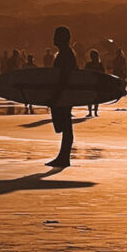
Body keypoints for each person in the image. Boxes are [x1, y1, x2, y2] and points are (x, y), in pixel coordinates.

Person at [48, 25, 77, 170]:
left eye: (56, 36)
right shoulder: (64, 53)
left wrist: (57, 94)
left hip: (64, 94)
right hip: (64, 93)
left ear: (62, 38)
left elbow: (65, 77)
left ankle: (64, 157)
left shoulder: (66, 54)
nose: (53, 38)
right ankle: (63, 156)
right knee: (64, 125)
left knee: (66, 125)